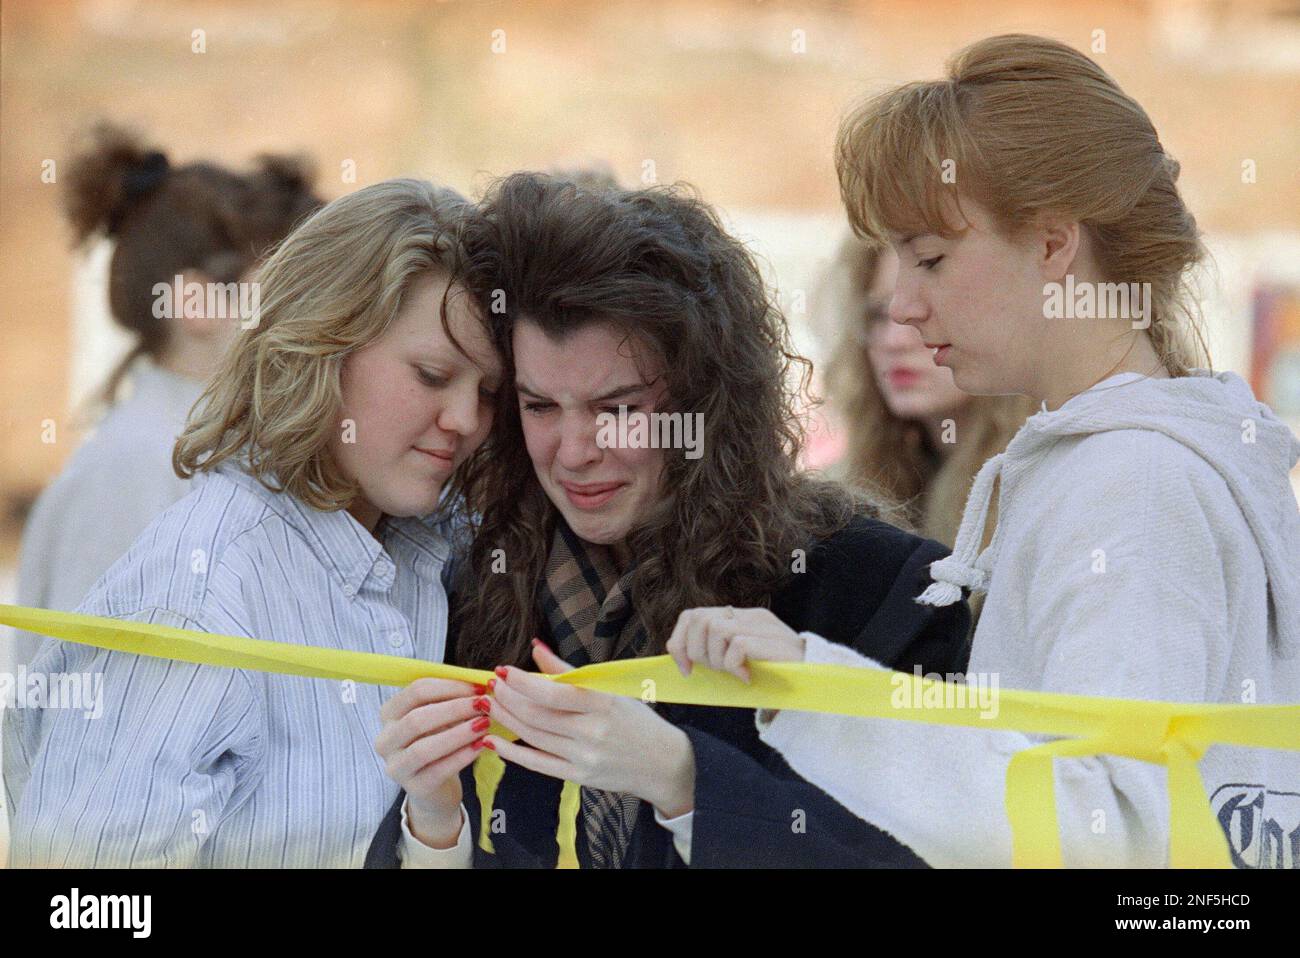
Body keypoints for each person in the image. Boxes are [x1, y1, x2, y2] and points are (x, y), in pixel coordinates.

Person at [667, 34, 1300, 869]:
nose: (903, 303)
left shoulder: (1134, 484)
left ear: (1051, 244)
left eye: (931, 258)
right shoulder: (1128, 461)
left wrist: (816, 689)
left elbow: (1104, 833)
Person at [367, 171, 972, 869]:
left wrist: (684, 781)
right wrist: (434, 824)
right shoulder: (471, 590)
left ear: (705, 406)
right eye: (539, 406)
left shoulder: (880, 590)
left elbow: (930, 855)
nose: (574, 453)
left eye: (618, 410)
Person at [3, 178, 502, 867]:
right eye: (431, 373)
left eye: (490, 392)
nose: (467, 420)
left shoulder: (429, 550)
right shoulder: (198, 595)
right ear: (323, 345)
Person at [14, 122, 321, 668]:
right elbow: (88, 708)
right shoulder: (135, 467)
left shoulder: (207, 451)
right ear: (197, 304)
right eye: (282, 291)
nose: (311, 319)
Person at [819, 235, 1032, 550]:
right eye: (879, 315)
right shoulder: (874, 477)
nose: (895, 341)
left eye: (926, 310)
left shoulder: (1035, 484)